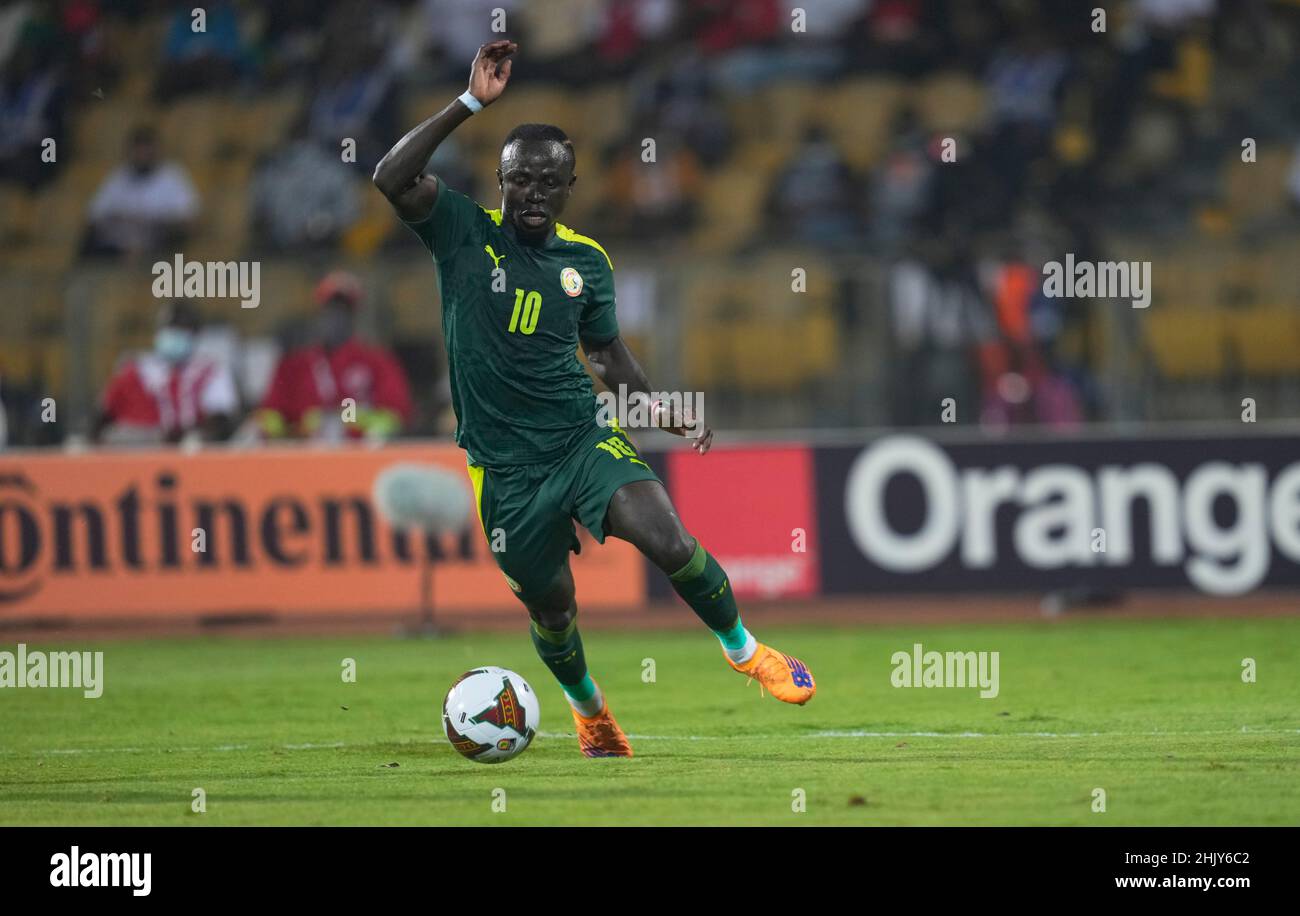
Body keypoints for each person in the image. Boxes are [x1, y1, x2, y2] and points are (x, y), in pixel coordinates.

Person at [372, 40, 816, 759]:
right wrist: (471, 102)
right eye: (522, 182)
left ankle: (747, 652)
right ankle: (590, 711)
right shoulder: (461, 232)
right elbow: (391, 176)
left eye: (550, 183)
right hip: (506, 469)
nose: (535, 196)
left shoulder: (586, 263)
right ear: (501, 180)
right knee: (554, 608)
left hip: (580, 439)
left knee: (668, 538)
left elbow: (607, 355)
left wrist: (659, 408)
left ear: (572, 184)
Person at [256, 271, 413, 441]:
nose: (336, 317)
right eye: (330, 309)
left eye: (343, 310)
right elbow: (270, 415)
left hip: (358, 453)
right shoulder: (293, 365)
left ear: (353, 316)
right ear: (318, 313)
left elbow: (396, 415)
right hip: (304, 456)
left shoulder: (377, 362)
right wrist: (295, 431)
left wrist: (357, 423)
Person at [93, 300, 237, 444]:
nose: (173, 334)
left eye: (180, 329)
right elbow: (102, 418)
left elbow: (221, 422)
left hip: (192, 449)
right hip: (143, 446)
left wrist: (190, 436)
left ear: (195, 334)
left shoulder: (209, 371)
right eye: (169, 328)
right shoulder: (136, 369)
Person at [83, 124, 199, 259]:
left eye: (147, 149)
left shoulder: (173, 174)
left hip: (158, 238)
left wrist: (150, 224)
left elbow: (190, 218)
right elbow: (94, 215)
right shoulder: (119, 175)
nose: (142, 154)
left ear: (156, 149)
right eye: (138, 149)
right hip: (119, 239)